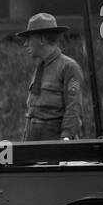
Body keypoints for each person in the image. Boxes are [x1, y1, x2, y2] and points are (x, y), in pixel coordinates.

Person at [17, 12, 85, 141]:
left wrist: (66, 138)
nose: (25, 44)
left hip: (54, 141)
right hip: (34, 140)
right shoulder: (40, 67)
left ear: (42, 39)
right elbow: (33, 112)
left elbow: (74, 107)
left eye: (29, 39)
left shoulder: (69, 67)